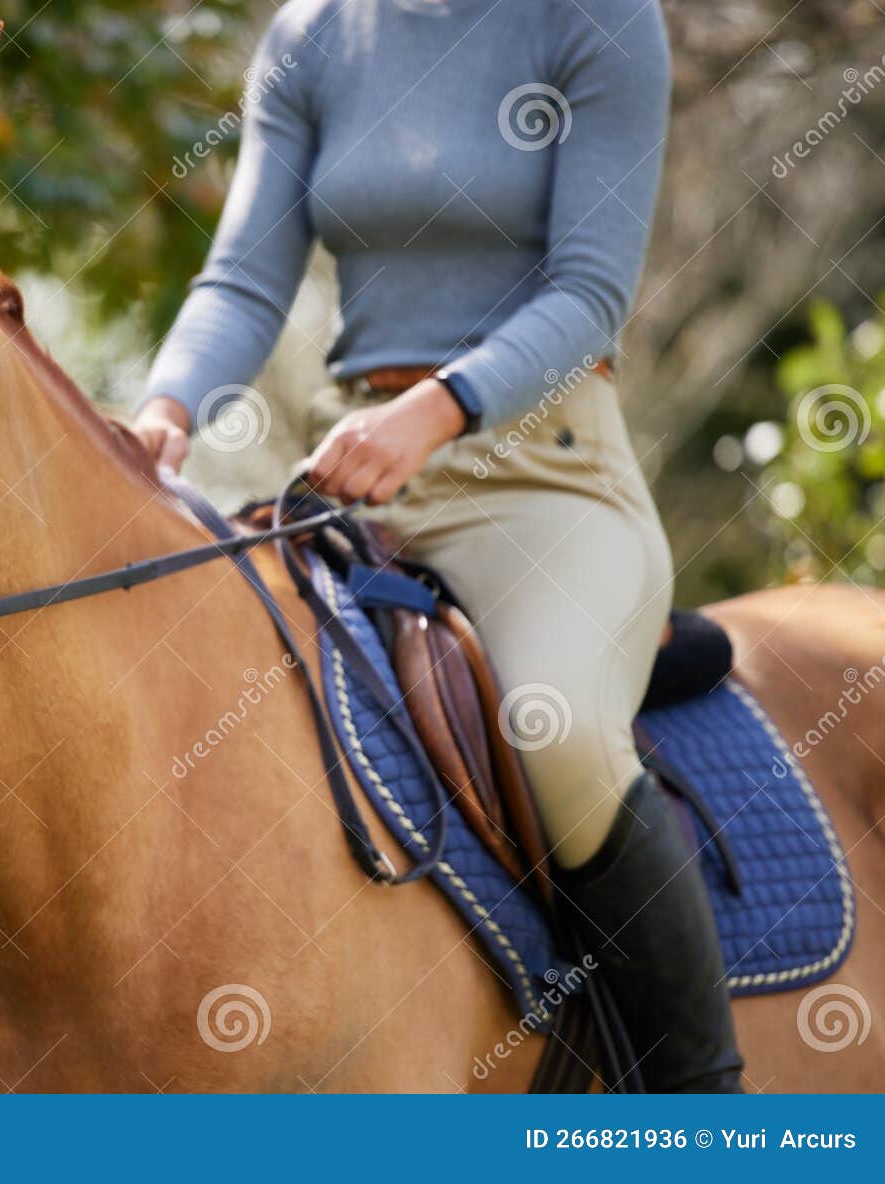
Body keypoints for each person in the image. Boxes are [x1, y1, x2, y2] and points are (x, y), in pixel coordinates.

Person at [133, 0, 741, 1091]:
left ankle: (705, 1102)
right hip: (361, 485)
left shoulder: (598, 22)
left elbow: (590, 293)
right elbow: (243, 280)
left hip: (547, 477)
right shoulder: (312, 37)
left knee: (549, 728)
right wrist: (162, 415)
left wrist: (435, 408)